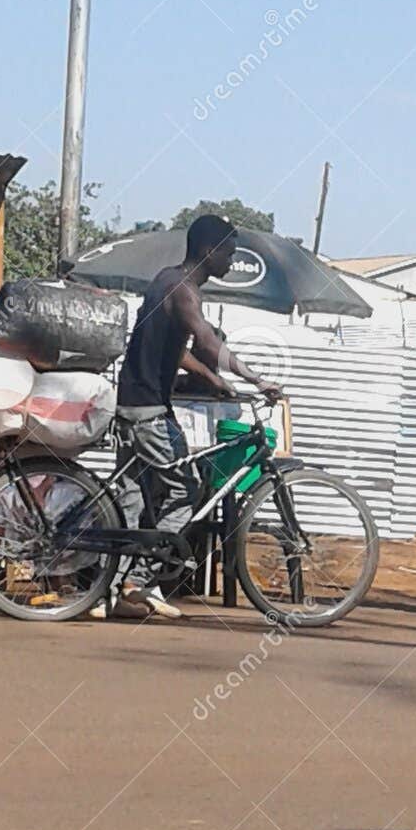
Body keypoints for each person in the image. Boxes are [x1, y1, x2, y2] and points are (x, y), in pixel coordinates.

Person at [103, 214, 281, 620]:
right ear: (208, 251)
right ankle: (141, 582)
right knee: (188, 488)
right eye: (229, 254)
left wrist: (209, 379)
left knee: (131, 498)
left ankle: (108, 592)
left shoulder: (166, 281)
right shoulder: (184, 290)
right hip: (149, 410)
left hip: (132, 403)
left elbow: (178, 350)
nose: (231, 263)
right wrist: (255, 376)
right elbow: (204, 340)